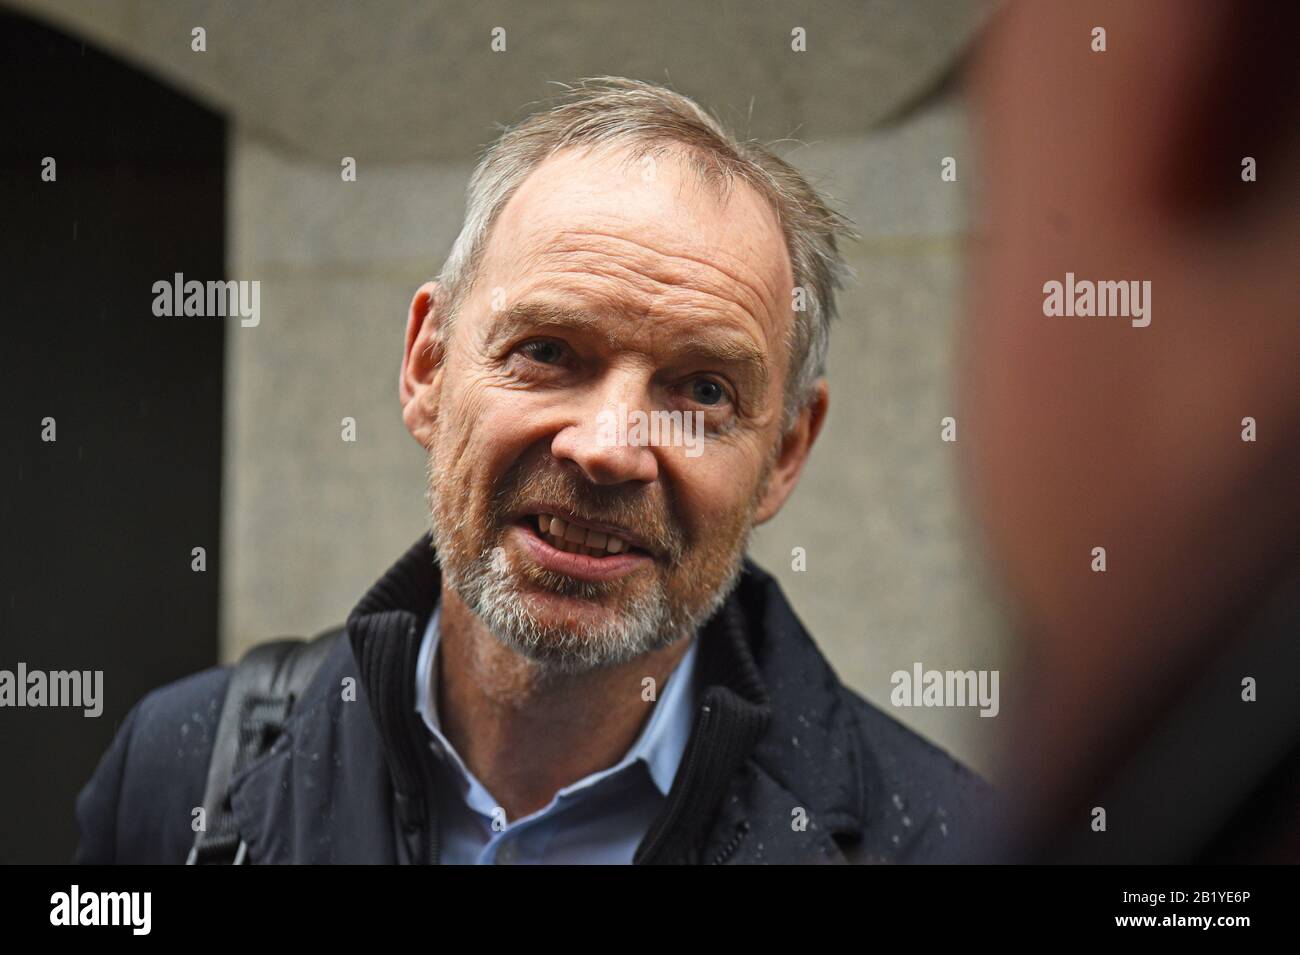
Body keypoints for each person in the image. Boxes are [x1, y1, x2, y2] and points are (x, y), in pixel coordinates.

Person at [74, 77, 994, 864]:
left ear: (785, 452)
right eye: (549, 350)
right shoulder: (186, 769)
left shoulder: (947, 840)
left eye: (704, 388)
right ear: (428, 367)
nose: (606, 445)